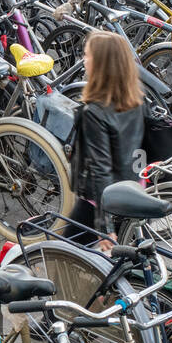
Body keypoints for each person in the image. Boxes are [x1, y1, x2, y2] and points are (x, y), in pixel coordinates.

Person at [65, 30, 144, 251]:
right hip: (132, 190)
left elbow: (100, 169)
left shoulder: (95, 112)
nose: (84, 60)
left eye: (87, 55)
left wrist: (104, 226)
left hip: (99, 202)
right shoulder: (136, 99)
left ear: (100, 64)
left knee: (64, 255)